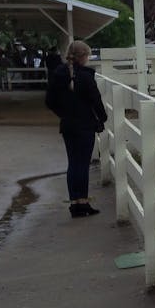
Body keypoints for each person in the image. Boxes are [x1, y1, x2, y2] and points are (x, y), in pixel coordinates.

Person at [45, 40, 107, 218]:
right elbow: (95, 100)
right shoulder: (86, 77)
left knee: (73, 163)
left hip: (68, 125)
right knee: (82, 164)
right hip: (85, 125)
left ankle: (74, 203)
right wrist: (102, 117)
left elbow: (49, 101)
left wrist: (63, 113)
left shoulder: (58, 74)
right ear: (83, 56)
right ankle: (83, 202)